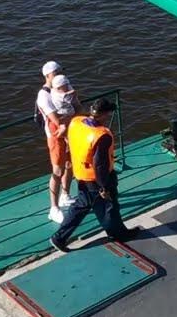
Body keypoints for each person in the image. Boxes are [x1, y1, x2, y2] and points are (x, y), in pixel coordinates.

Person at [49, 98, 136, 251]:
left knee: (80, 207)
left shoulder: (76, 122)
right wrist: (104, 187)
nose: (109, 116)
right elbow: (100, 164)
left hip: (81, 175)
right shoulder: (102, 135)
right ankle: (119, 234)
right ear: (103, 115)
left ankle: (59, 237)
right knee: (110, 206)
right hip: (97, 179)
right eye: (108, 113)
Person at [36, 61, 74, 224]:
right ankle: (54, 208)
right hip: (55, 136)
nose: (59, 74)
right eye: (55, 72)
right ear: (47, 76)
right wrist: (66, 122)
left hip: (68, 131)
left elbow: (76, 104)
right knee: (57, 171)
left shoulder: (63, 85)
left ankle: (65, 195)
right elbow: (55, 120)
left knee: (70, 164)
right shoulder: (43, 95)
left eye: (60, 71)